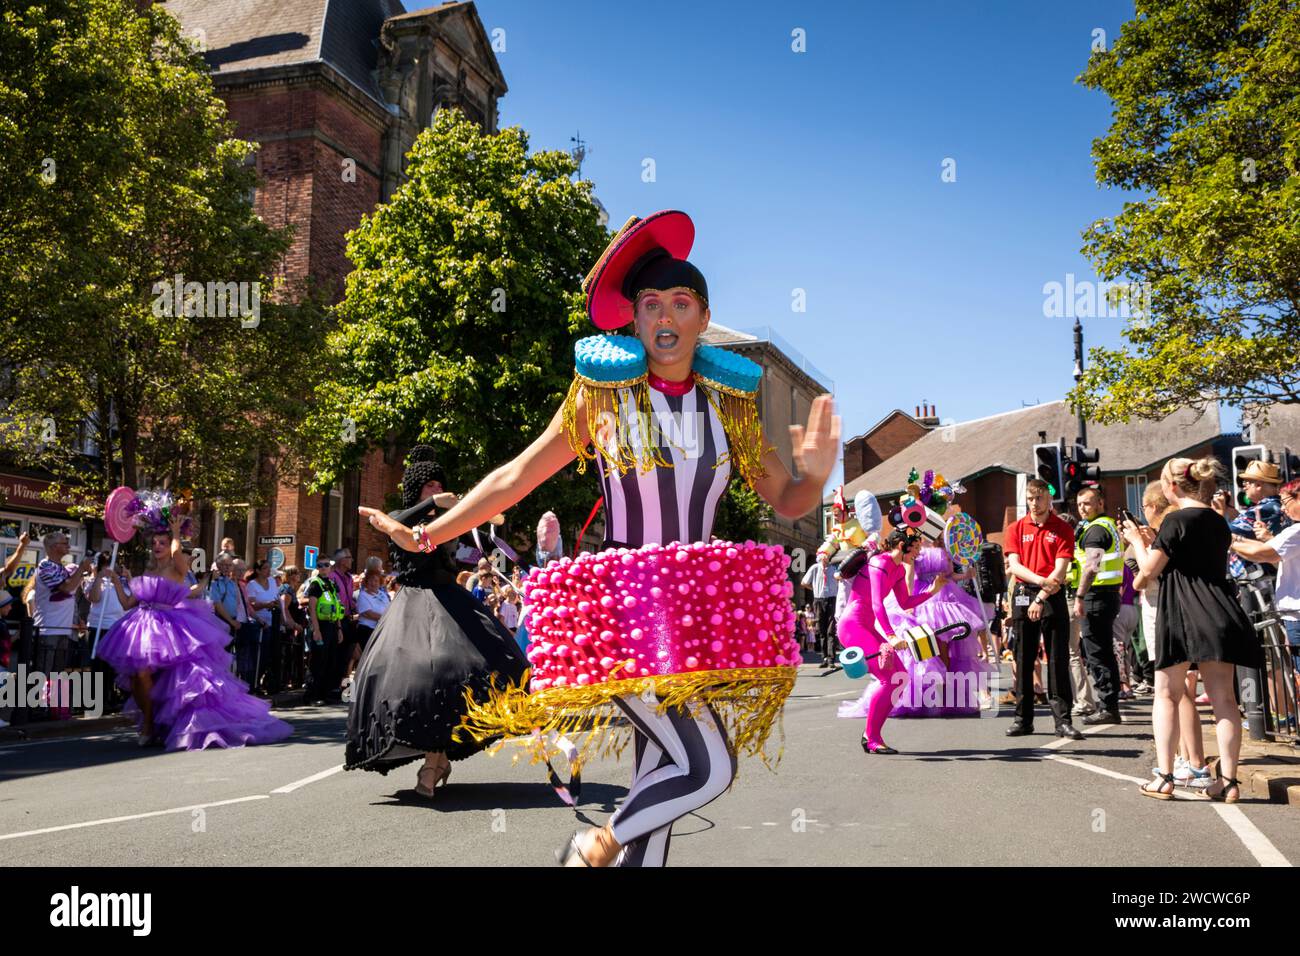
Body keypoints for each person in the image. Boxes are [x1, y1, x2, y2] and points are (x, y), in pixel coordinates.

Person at [360, 210, 837, 866]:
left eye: (680, 302)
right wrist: (429, 534)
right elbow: (517, 476)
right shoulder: (601, 396)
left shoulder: (728, 407)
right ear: (634, 322)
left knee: (659, 778)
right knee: (707, 770)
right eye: (649, 304)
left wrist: (813, 477)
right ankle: (595, 845)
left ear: (703, 318)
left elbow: (786, 497)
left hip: (693, 613)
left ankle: (619, 850)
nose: (665, 316)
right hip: (627, 606)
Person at [344, 446, 527, 796]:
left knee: (455, 669)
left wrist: (488, 515)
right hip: (412, 605)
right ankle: (434, 760)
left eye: (439, 485)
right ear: (417, 490)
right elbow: (397, 524)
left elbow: (478, 527)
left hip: (448, 601)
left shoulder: (447, 524)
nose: (436, 489)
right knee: (413, 677)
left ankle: (435, 761)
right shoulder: (399, 517)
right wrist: (432, 504)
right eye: (429, 485)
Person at [95, 506, 291, 749]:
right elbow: (127, 604)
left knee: (147, 672)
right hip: (142, 625)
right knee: (137, 676)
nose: (157, 546)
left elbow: (178, 553)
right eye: (154, 542)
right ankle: (149, 721)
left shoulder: (177, 567)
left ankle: (149, 725)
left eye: (162, 543)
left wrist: (175, 532)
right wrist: (115, 580)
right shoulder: (148, 570)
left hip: (169, 626)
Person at [1123, 457, 1260, 802]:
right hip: (1222, 613)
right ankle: (1228, 782)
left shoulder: (1174, 520)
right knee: (1225, 701)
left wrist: (1138, 543)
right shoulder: (1218, 521)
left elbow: (1145, 576)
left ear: (1171, 487)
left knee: (1166, 696)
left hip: (1183, 616)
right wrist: (1157, 540)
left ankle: (1165, 777)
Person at [837, 529, 944, 749]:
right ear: (902, 545)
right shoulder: (880, 562)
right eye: (915, 547)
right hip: (853, 626)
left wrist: (933, 591)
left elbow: (904, 603)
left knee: (900, 677)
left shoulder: (896, 569)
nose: (918, 552)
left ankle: (872, 736)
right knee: (889, 678)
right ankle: (872, 738)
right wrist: (892, 636)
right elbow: (877, 604)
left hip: (865, 626)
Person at [1004, 478, 1080, 739]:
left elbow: (1060, 570)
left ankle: (1063, 721)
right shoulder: (1015, 528)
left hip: (1052, 595)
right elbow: (1013, 565)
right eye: (1030, 499)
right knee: (1023, 658)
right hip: (1025, 591)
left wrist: (1042, 596)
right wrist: (1038, 582)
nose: (1034, 504)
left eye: (1039, 498)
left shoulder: (1062, 529)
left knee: (1057, 659)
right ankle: (1022, 720)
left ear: (1049, 499)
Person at [1229, 477, 1300, 722]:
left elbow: (1263, 554)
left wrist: (1230, 539)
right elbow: (1272, 554)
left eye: (1286, 501)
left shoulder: (1297, 530)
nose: (1282, 508)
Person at [1072, 486, 1124, 725]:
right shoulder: (1107, 524)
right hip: (1108, 594)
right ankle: (1110, 705)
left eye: (1088, 503)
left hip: (1095, 596)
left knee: (1096, 654)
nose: (1083, 508)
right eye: (1080, 504)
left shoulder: (1095, 530)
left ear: (1100, 503)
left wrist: (1080, 596)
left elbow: (1091, 568)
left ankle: (1108, 707)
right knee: (1104, 652)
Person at [33, 533, 92, 679]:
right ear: (54, 547)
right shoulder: (45, 566)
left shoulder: (61, 568)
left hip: (62, 629)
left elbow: (70, 593)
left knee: (56, 675)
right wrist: (81, 568)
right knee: (43, 673)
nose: (69, 546)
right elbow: (66, 588)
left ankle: (52, 701)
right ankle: (36, 701)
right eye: (65, 543)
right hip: (48, 630)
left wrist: (78, 619)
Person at [244, 560, 279, 695]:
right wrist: (265, 605)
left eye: (269, 568)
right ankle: (254, 683)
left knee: (270, 655)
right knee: (259, 655)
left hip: (273, 622)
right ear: (258, 571)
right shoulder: (252, 585)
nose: (268, 571)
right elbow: (251, 604)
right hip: (259, 624)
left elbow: (277, 599)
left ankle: (262, 682)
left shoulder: (271, 581)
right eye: (265, 568)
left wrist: (282, 619)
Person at [801, 550, 839, 667]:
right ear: (819, 558)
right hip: (818, 600)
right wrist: (814, 589)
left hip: (831, 599)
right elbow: (803, 582)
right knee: (821, 630)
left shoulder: (833, 569)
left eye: (826, 558)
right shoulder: (815, 568)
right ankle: (824, 658)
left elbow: (840, 580)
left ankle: (832, 659)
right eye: (822, 558)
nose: (824, 560)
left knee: (830, 630)